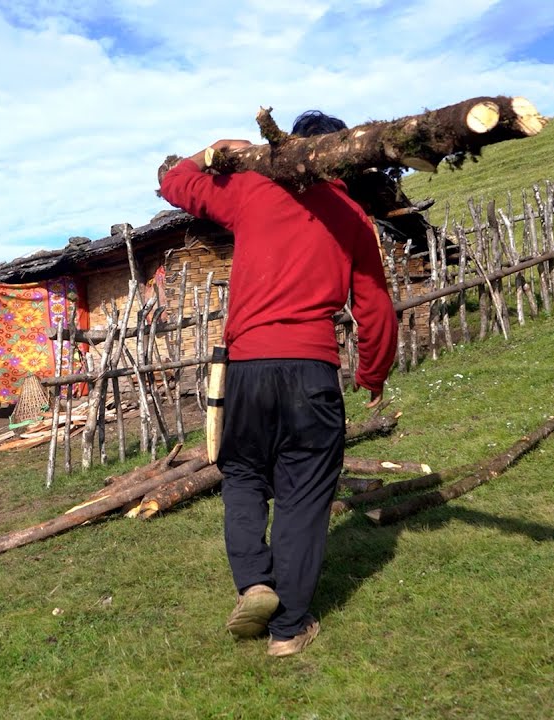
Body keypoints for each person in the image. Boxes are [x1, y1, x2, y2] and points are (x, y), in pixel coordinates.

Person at [158, 110, 398, 658]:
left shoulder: (253, 191)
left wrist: (210, 149)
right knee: (304, 493)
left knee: (242, 473)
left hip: (245, 371)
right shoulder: (354, 218)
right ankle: (288, 631)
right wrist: (373, 372)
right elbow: (375, 306)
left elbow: (174, 182)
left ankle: (255, 584)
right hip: (310, 371)